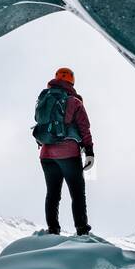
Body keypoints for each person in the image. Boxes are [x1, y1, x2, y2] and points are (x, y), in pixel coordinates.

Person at [31, 67, 94, 236]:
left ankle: (53, 230)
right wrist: (89, 152)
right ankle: (82, 230)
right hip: (68, 153)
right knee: (77, 193)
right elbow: (84, 128)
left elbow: (38, 121)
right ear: (72, 81)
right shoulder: (74, 101)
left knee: (52, 193)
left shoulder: (44, 98)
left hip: (46, 154)